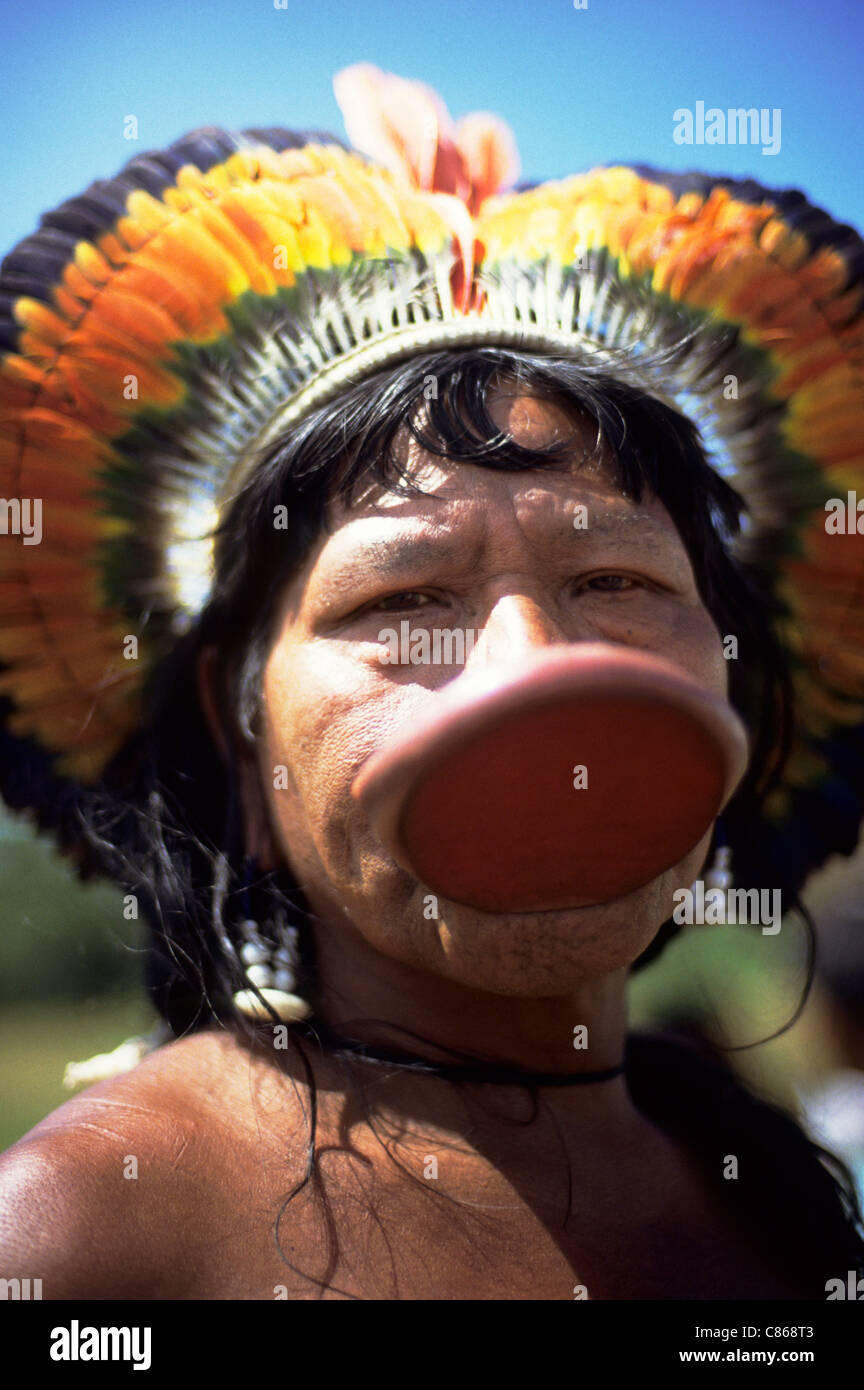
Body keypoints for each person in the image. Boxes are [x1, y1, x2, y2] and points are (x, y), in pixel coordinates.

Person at [0, 64, 863, 1300]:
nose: (535, 670)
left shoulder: (776, 1209)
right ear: (241, 745)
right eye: (402, 600)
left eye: (617, 582)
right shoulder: (79, 1243)